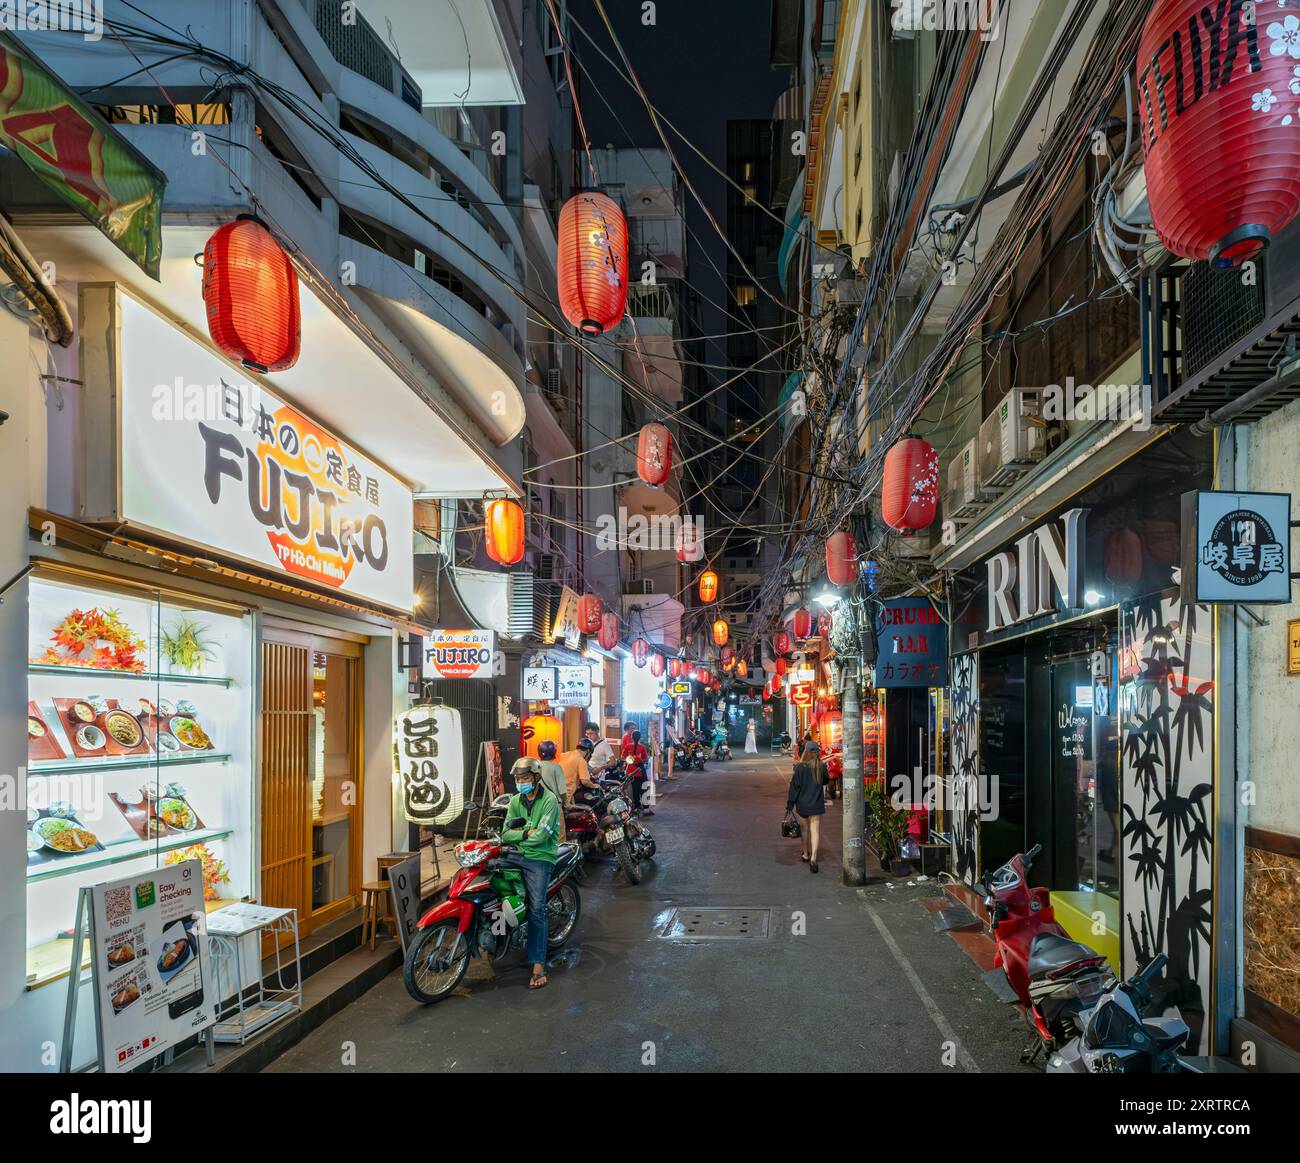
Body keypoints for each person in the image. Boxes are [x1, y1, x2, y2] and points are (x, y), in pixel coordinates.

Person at [501, 757, 561, 989]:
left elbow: (542, 837)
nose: (521, 783)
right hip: (518, 853)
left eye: (525, 778)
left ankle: (538, 966)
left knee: (537, 908)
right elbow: (506, 833)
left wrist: (523, 834)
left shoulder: (550, 801)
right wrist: (526, 833)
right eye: (517, 779)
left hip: (541, 857)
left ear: (536, 778)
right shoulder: (515, 800)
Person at [786, 759, 827, 873]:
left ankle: (805, 854)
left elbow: (794, 787)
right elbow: (826, 780)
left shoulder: (800, 767)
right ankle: (813, 858)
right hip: (816, 803)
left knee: (804, 830)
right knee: (815, 830)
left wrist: (790, 804)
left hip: (802, 804)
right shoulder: (821, 766)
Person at [536, 740, 568, 840]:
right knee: (559, 835)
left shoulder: (536, 767)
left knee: (542, 832)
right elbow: (562, 791)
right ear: (554, 752)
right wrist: (566, 802)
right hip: (554, 805)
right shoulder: (556, 768)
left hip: (539, 805)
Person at [560, 738, 601, 806]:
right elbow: (585, 781)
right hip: (565, 794)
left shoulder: (564, 755)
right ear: (588, 751)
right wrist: (594, 786)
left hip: (555, 791)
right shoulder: (581, 760)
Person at [624, 729, 652, 816]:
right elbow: (646, 759)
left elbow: (623, 757)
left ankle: (636, 807)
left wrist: (631, 760)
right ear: (640, 738)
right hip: (640, 770)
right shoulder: (642, 747)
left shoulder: (628, 746)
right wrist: (639, 760)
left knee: (634, 790)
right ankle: (646, 809)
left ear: (631, 737)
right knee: (644, 789)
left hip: (630, 771)